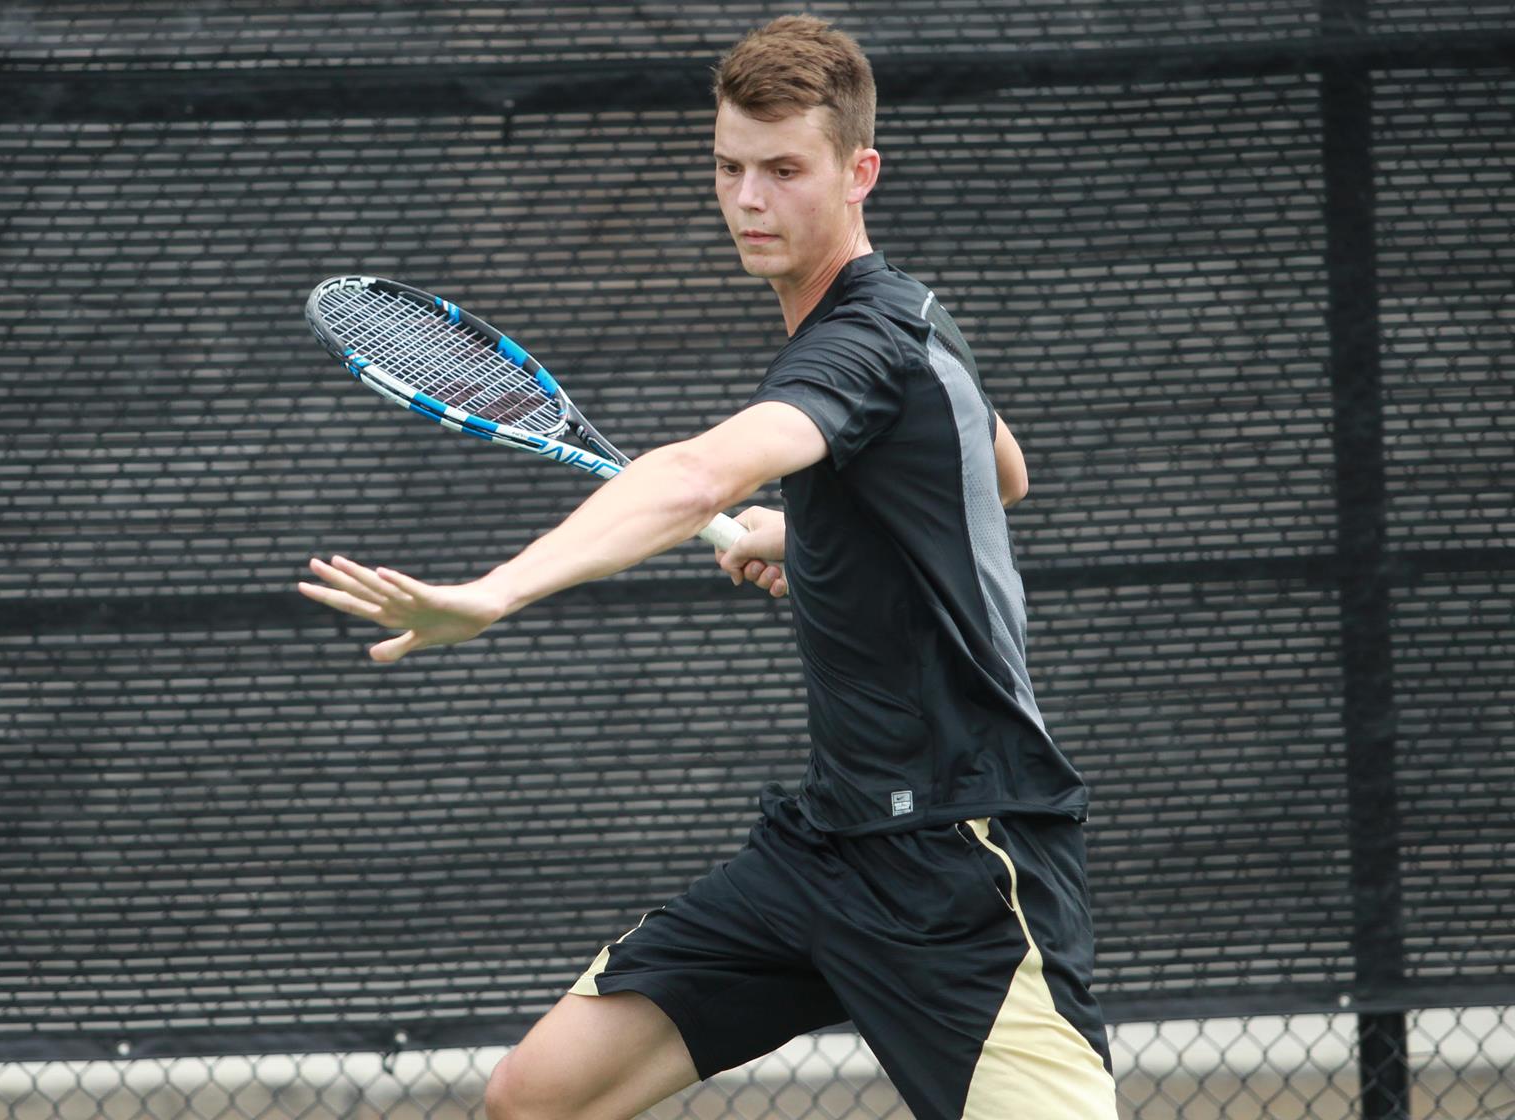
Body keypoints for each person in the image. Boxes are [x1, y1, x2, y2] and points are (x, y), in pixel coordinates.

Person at [296, 14, 1116, 1120]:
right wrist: (811, 534)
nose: (747, 200)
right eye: (729, 168)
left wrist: (493, 592)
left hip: (962, 861)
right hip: (825, 847)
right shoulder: (917, 321)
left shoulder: (861, 342)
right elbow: (999, 469)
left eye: (783, 170)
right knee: (535, 1097)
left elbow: (691, 475)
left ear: (859, 173)